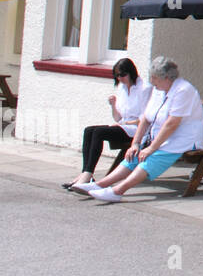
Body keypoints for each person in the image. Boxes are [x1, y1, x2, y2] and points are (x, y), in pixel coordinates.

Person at [74, 57, 203, 202]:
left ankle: (118, 191)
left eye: (154, 77)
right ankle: (99, 185)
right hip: (162, 137)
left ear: (167, 78)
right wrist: (136, 143)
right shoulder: (159, 89)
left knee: (152, 157)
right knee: (134, 154)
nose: (152, 81)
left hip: (184, 139)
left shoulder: (183, 90)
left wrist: (151, 148)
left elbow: (172, 124)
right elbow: (145, 118)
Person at [64, 58, 152, 190]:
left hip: (137, 130)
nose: (120, 78)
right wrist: (113, 105)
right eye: (117, 75)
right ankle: (85, 173)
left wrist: (125, 123)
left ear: (131, 72)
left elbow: (146, 119)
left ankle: (87, 175)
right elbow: (118, 118)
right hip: (123, 126)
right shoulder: (122, 88)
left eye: (122, 75)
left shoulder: (144, 88)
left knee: (99, 132)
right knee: (89, 130)